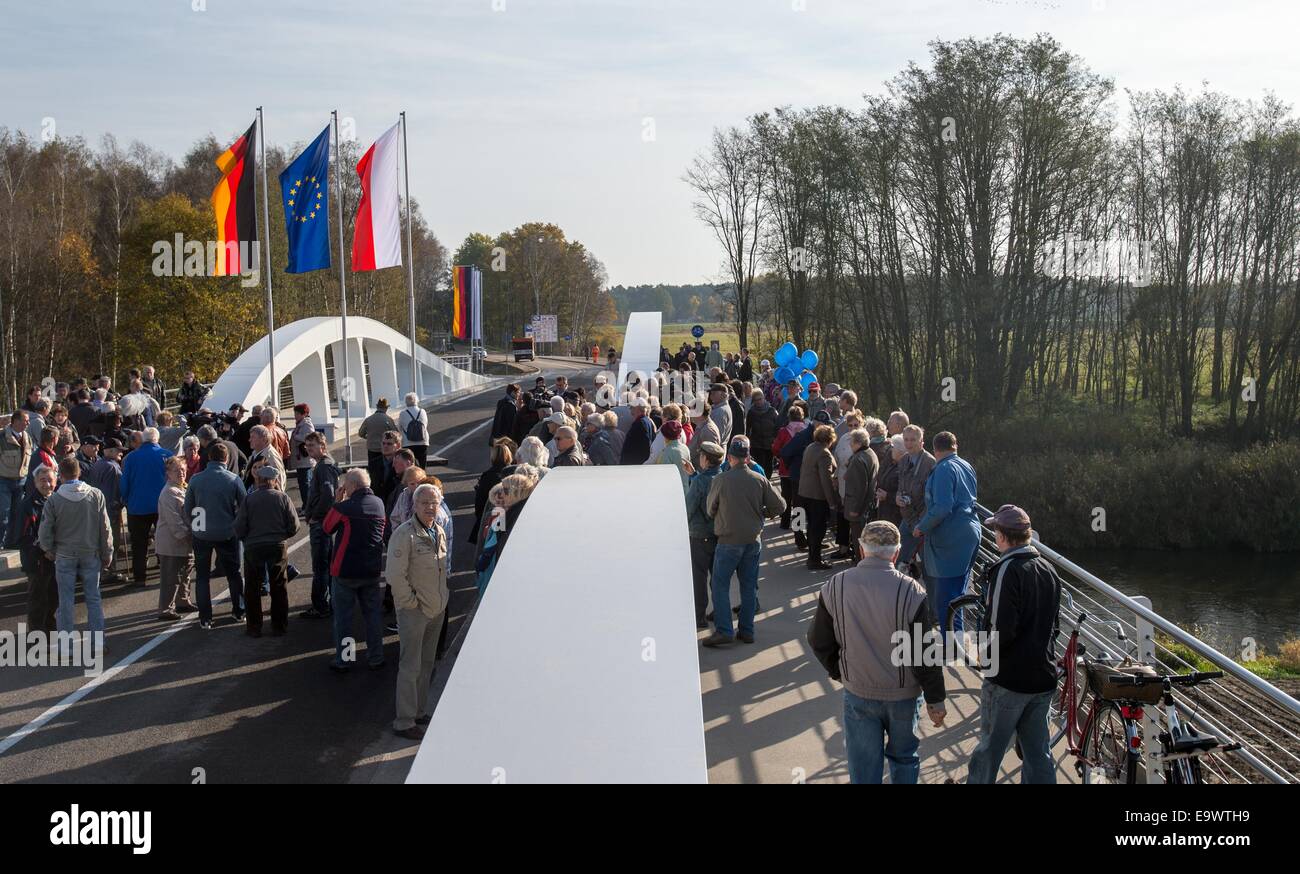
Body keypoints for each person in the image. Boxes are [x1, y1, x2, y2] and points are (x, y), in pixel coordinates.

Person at [807, 520, 947, 784]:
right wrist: (935, 699)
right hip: (904, 697)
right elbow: (924, 651)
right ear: (896, 553)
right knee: (905, 758)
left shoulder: (835, 585)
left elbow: (818, 639)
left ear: (861, 549)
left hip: (858, 691)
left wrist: (840, 672)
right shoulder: (912, 591)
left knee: (863, 765)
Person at [966, 504, 1062, 785]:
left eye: (995, 531)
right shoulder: (1048, 569)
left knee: (989, 750)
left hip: (1009, 680)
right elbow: (1054, 627)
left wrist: (987, 656)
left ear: (1003, 536)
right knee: (1037, 753)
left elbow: (1000, 626)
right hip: (1043, 678)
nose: (994, 536)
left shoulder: (1007, 569)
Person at [702, 436, 785, 647]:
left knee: (720, 585)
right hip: (752, 539)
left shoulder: (721, 480)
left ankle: (724, 630)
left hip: (728, 540)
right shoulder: (759, 479)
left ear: (729, 457)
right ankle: (747, 630)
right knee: (749, 586)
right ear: (747, 458)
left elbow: (710, 509)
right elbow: (781, 506)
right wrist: (762, 514)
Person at [387, 482, 449, 739]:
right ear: (414, 505)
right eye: (425, 503)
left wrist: (442, 600)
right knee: (410, 666)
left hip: (436, 609)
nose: (430, 508)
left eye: (434, 503)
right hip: (415, 611)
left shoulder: (439, 531)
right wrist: (411, 603)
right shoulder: (405, 534)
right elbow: (394, 575)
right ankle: (404, 721)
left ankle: (419, 711)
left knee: (426, 664)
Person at [39, 456, 113, 647]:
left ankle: (66, 646)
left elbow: (45, 529)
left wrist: (48, 548)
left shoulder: (54, 499)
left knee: (65, 601)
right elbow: (105, 527)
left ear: (60, 475)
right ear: (79, 472)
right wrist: (108, 552)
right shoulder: (96, 494)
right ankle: (98, 643)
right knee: (93, 598)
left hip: (64, 554)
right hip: (90, 552)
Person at [912, 431, 980, 635]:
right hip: (971, 532)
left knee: (946, 597)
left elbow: (942, 507)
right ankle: (957, 640)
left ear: (935, 449)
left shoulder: (943, 469)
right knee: (958, 593)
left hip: (951, 539)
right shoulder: (965, 465)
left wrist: (920, 527)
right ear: (955, 446)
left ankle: (951, 644)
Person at [323, 468, 387, 672]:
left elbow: (327, 527)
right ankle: (376, 656)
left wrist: (337, 501)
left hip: (345, 571)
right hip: (371, 570)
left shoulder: (345, 508)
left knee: (344, 619)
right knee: (372, 616)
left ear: (351, 486)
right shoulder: (379, 504)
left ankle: (346, 659)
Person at [184, 442, 248, 629]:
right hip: (227, 532)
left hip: (202, 532)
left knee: (202, 576)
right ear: (226, 459)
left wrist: (197, 527)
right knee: (234, 574)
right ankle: (238, 611)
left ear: (209, 458)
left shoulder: (196, 479)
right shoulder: (233, 479)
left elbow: (189, 508)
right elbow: (244, 507)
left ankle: (205, 618)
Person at [235, 464, 299, 637]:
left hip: (254, 546)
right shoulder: (283, 498)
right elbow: (294, 525)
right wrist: (283, 535)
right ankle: (279, 626)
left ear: (259, 480)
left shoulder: (249, 499)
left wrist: (247, 539)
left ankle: (254, 626)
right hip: (277, 544)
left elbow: (239, 526)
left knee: (252, 586)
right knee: (279, 585)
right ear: (274, 480)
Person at [120, 427, 172, 586]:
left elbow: (124, 483)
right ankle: (167, 572)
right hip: (162, 504)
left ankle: (140, 578)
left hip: (137, 506)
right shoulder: (167, 455)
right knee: (165, 539)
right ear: (157, 438)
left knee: (139, 544)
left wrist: (126, 500)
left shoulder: (130, 458)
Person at [685, 441, 724, 629]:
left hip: (700, 535)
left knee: (699, 578)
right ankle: (718, 611)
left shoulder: (700, 482)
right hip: (720, 534)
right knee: (716, 577)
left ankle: (699, 616)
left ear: (706, 459)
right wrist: (693, 474)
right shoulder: (723, 477)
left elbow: (689, 508)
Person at [301, 431, 340, 618]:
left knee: (320, 567)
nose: (308, 449)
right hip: (325, 522)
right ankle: (331, 602)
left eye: (312, 446)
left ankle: (320, 606)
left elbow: (328, 494)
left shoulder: (323, 467)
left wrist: (315, 516)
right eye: (307, 446)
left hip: (321, 524)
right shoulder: (326, 464)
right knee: (327, 564)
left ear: (322, 446)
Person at [155, 455, 197, 620]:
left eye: (183, 469)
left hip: (183, 543)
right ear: (168, 473)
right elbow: (175, 523)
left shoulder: (182, 488)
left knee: (185, 574)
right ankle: (165, 609)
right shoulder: (169, 493)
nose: (181, 473)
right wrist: (189, 537)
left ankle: (183, 601)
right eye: (176, 470)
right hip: (172, 544)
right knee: (171, 578)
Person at [18, 465, 58, 632]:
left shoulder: (57, 500)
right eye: (42, 481)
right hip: (37, 562)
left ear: (56, 481)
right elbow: (24, 536)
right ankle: (37, 640)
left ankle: (51, 633)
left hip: (56, 560)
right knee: (38, 602)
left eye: (50, 480)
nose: (47, 484)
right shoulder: (28, 505)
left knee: (53, 600)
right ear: (35, 482)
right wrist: (45, 550)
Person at [798, 424, 841, 570]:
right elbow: (825, 479)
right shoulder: (824, 454)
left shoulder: (810, 447)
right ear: (830, 439)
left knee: (811, 526)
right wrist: (832, 502)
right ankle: (815, 559)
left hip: (804, 493)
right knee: (818, 527)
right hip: (817, 496)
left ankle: (813, 552)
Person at [895, 424, 936, 573]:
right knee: (898, 557)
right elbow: (900, 484)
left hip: (922, 522)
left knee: (925, 563)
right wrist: (898, 497)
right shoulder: (904, 459)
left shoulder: (930, 463)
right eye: (906, 439)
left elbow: (932, 499)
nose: (909, 443)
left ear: (921, 441)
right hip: (907, 517)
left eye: (913, 440)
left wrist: (921, 524)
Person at [840, 428, 879, 554]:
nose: (850, 445)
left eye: (852, 442)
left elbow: (859, 487)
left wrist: (855, 510)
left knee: (859, 540)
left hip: (858, 508)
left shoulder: (858, 459)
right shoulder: (870, 453)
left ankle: (859, 564)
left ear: (858, 443)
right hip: (868, 504)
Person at [771, 405, 805, 541]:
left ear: (789, 417)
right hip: (801, 471)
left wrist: (780, 457)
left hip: (786, 470)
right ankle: (798, 527)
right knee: (799, 501)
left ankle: (785, 522)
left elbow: (776, 448)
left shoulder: (784, 431)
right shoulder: (806, 430)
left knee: (786, 496)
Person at [0, 410, 32, 548]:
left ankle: (11, 543)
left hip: (21, 482)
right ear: (16, 421)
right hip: (3, 481)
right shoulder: (2, 437)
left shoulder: (27, 437)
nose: (28, 423)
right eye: (25, 420)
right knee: (3, 514)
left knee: (17, 514)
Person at [359, 398, 397, 485]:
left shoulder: (368, 419)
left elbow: (361, 433)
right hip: (385, 450)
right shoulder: (388, 419)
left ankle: (373, 485)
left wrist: (369, 437)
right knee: (385, 470)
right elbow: (395, 433)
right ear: (386, 408)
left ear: (377, 407)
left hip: (372, 449)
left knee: (373, 470)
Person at [745, 389, 778, 477]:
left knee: (769, 465)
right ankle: (761, 483)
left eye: (760, 399)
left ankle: (767, 483)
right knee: (759, 465)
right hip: (757, 444)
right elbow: (748, 428)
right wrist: (748, 443)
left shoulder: (772, 411)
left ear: (764, 398)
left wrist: (776, 439)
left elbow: (777, 426)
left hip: (769, 443)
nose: (758, 401)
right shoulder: (751, 412)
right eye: (756, 400)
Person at [650, 420, 691, 490]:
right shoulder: (685, 448)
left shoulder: (666, 452)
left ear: (665, 436)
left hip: (673, 492)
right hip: (685, 489)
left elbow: (662, 477)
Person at [289, 403, 317, 504]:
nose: (295, 416)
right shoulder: (301, 424)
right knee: (303, 483)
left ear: (303, 414)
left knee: (305, 484)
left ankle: (308, 506)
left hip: (305, 459)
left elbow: (309, 437)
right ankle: (307, 505)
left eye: (296, 413)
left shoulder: (306, 424)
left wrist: (295, 437)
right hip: (301, 459)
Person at [244, 425, 285, 489]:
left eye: (253, 437)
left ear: (264, 439)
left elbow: (279, 482)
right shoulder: (255, 453)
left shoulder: (271, 457)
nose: (249, 440)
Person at [397, 392, 429, 468]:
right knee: (422, 464)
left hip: (408, 443)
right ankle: (422, 478)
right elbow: (425, 425)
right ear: (416, 401)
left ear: (406, 402)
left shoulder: (403, 413)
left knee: (409, 466)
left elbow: (399, 428)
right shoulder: (423, 411)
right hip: (422, 442)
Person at [620, 398, 655, 465]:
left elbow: (645, 445)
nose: (630, 410)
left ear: (637, 408)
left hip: (635, 463)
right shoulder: (646, 421)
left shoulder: (641, 422)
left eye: (632, 408)